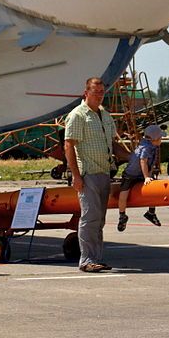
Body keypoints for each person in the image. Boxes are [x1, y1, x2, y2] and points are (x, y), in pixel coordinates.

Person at [64, 77, 119, 273]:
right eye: (95, 92)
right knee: (89, 217)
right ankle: (86, 260)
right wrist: (76, 176)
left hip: (104, 173)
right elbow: (69, 145)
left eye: (102, 92)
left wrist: (135, 157)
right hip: (87, 174)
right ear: (86, 93)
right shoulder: (78, 115)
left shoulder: (105, 115)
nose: (99, 95)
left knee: (99, 219)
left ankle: (96, 258)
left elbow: (114, 144)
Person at [117, 124, 163, 232]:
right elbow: (143, 161)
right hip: (131, 174)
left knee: (153, 191)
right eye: (160, 138)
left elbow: (150, 164)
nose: (161, 139)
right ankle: (122, 215)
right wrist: (146, 177)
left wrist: (150, 175)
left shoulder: (153, 146)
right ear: (154, 139)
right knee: (123, 194)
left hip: (141, 174)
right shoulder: (146, 147)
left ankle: (151, 212)